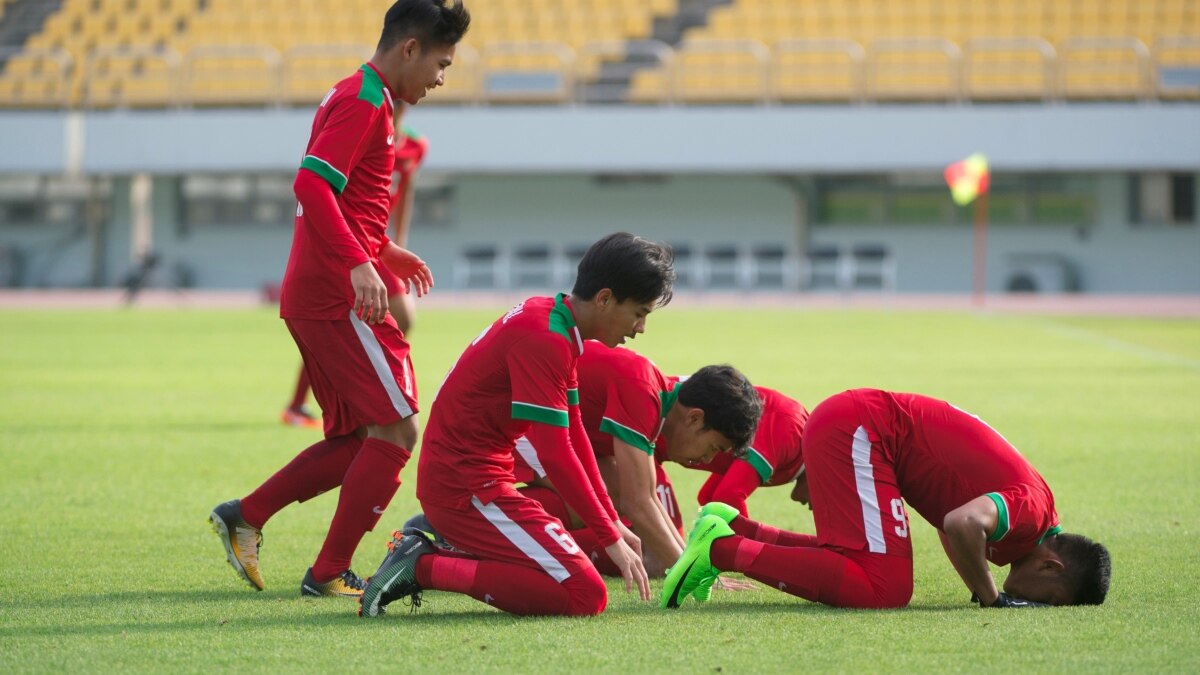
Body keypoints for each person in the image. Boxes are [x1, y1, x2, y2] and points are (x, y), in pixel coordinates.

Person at [208, 0, 469, 598]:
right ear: (409, 49)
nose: (440, 79)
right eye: (441, 63)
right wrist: (358, 263)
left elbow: (347, 201)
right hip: (335, 296)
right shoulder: (364, 100)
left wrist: (383, 250)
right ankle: (327, 572)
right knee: (398, 431)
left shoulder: (362, 96)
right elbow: (310, 184)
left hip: (324, 290)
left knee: (361, 440)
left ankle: (245, 515)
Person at [358, 232, 674, 618]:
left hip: (478, 482)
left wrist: (609, 521)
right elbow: (556, 455)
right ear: (605, 299)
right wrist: (609, 536)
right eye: (639, 312)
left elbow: (574, 434)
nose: (640, 328)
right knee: (585, 595)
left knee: (574, 581)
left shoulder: (556, 321)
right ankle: (423, 564)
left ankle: (444, 547)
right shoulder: (547, 339)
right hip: (468, 489)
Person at [662, 389, 1111, 609]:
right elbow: (960, 523)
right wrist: (991, 597)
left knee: (862, 561)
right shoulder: (1032, 515)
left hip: (861, 428)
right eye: (1049, 600)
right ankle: (720, 550)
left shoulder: (1031, 519)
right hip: (862, 429)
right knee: (885, 586)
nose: (1036, 605)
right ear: (1053, 566)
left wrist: (979, 586)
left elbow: (949, 520)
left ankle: (741, 532)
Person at [513, 346, 763, 578]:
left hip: (534, 412)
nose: (706, 460)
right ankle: (491, 539)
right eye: (712, 448)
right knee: (611, 490)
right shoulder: (642, 390)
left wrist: (694, 567)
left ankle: (505, 537)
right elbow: (636, 501)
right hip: (521, 416)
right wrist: (693, 577)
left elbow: (647, 497)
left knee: (614, 488)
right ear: (695, 419)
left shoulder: (656, 395)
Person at [280, 95, 430, 429]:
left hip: (378, 243)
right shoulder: (364, 120)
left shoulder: (414, 145)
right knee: (386, 317)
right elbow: (314, 183)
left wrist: (396, 243)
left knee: (388, 319)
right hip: (355, 243)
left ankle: (341, 396)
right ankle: (323, 399)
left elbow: (405, 195)